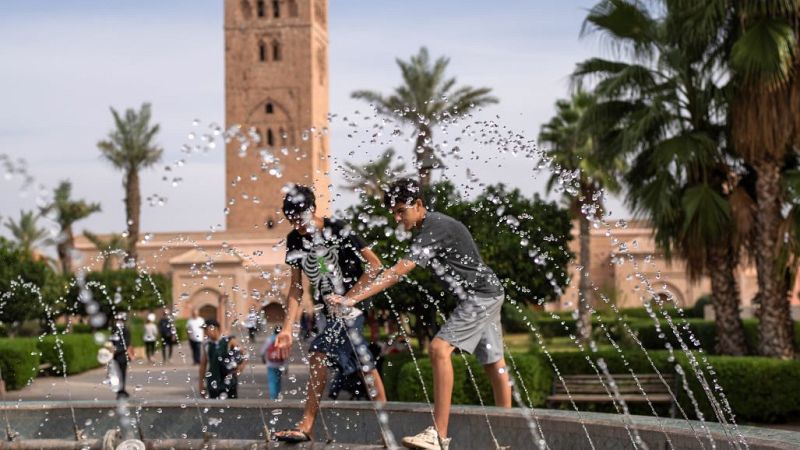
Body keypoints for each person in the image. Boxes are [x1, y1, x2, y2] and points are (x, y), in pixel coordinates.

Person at [327, 178, 512, 450]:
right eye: (394, 213)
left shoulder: (434, 226)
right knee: (494, 363)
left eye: (401, 210)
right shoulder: (431, 227)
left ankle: (438, 436)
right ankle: (505, 437)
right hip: (488, 291)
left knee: (439, 349)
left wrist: (351, 298)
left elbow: (398, 271)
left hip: (481, 296)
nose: (397, 219)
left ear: (419, 205)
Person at [272, 185, 387, 443]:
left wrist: (350, 297)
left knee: (318, 353)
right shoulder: (294, 240)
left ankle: (307, 425)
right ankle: (388, 428)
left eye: (300, 219)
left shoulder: (338, 228)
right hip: (330, 310)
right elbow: (296, 288)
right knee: (364, 364)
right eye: (291, 220)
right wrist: (287, 328)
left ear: (312, 210)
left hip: (353, 305)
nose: (297, 225)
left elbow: (375, 265)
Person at [198, 319, 247, 399]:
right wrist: (201, 385)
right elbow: (203, 366)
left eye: (206, 330)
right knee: (214, 408)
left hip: (229, 382)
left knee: (232, 406)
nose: (205, 333)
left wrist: (241, 367)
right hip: (213, 381)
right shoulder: (207, 345)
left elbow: (245, 354)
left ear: (215, 328)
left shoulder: (228, 341)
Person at [109, 313, 135, 400]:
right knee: (116, 373)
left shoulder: (126, 330)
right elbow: (111, 341)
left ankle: (122, 389)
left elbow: (126, 344)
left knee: (123, 373)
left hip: (122, 355)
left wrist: (117, 350)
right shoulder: (114, 330)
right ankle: (120, 390)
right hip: (116, 356)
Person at [258, 326, 286, 400]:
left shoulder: (270, 339)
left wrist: (263, 358)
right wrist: (286, 366)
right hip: (280, 363)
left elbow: (262, 351)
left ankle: (273, 397)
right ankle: (278, 395)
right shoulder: (283, 340)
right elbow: (286, 354)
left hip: (270, 363)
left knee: (272, 380)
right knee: (278, 380)